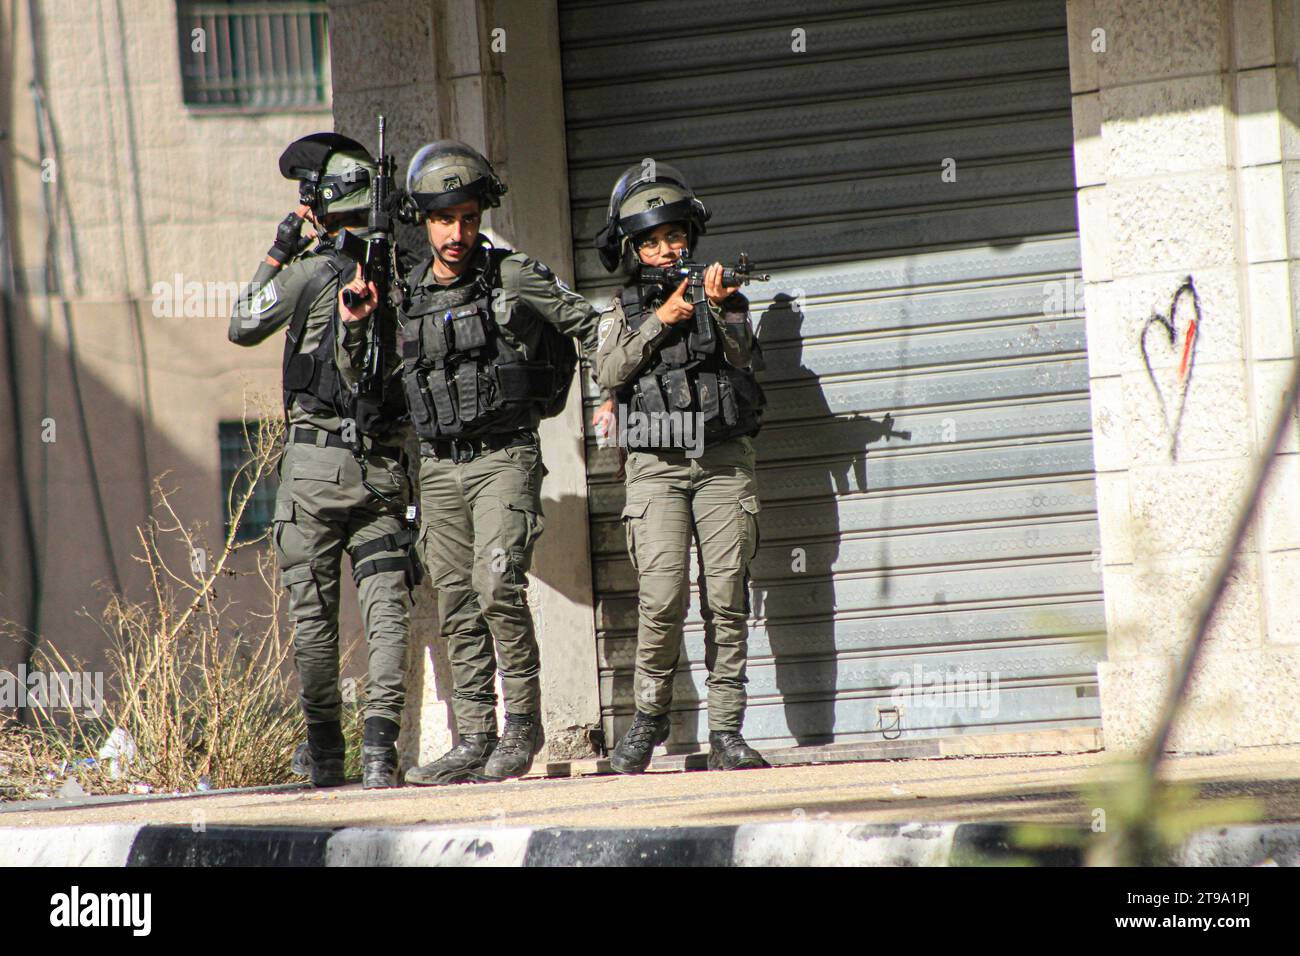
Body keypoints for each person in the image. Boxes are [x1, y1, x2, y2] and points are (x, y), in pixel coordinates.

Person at [398, 141, 601, 784]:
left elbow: (588, 325)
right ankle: (474, 737)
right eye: (442, 219)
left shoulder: (513, 275)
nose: (455, 233)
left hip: (504, 457)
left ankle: (521, 728)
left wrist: (617, 393)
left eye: (466, 217)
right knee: (455, 598)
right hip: (437, 465)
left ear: (481, 214)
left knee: (495, 584)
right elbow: (368, 376)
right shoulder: (403, 291)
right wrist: (352, 321)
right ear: (424, 222)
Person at [229, 133, 417, 789]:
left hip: (313, 474)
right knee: (387, 616)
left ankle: (326, 754)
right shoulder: (405, 273)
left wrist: (278, 250)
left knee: (314, 623)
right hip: (385, 469)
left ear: (322, 203)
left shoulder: (309, 273)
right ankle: (378, 752)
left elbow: (242, 322)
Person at [591, 163, 768, 773]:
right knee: (662, 598)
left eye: (675, 237)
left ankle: (726, 733)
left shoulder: (725, 295)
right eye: (652, 240)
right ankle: (647, 722)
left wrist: (719, 308)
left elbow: (746, 360)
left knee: (727, 597)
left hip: (721, 463)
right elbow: (608, 373)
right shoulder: (621, 310)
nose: (667, 249)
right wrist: (662, 320)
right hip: (656, 466)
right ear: (632, 249)